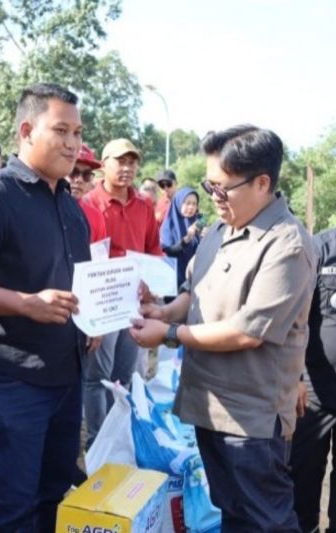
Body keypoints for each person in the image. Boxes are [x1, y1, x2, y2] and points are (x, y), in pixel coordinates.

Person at [130, 125, 315, 531]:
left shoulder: (287, 244)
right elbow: (191, 293)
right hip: (208, 405)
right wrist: (162, 312)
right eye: (208, 186)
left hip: (250, 419)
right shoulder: (219, 229)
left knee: (266, 521)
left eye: (222, 188)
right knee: (232, 513)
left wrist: (169, 335)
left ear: (262, 182)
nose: (212, 198)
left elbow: (248, 331)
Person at [0, 83, 92, 532]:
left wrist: (96, 316)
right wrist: (25, 304)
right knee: (8, 505)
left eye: (78, 132)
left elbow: (73, 279)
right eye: (61, 130)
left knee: (52, 494)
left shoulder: (69, 204)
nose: (72, 143)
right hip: (11, 378)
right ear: (27, 130)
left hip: (67, 374)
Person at [289, 167, 336, 533]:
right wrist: (296, 377)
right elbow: (294, 318)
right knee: (303, 471)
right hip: (315, 389)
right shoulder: (320, 250)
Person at [78, 138, 162, 444]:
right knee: (97, 376)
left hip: (133, 304)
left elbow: (154, 249)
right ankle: (98, 439)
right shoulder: (90, 204)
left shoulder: (144, 205)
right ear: (104, 164)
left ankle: (120, 436)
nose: (127, 168)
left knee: (126, 375)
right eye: (120, 161)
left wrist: (153, 282)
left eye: (132, 162)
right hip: (102, 300)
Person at [160, 187, 202, 287]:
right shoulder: (168, 226)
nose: (191, 207)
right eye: (187, 203)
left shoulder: (197, 223)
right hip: (173, 280)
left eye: (194, 204)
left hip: (195, 278)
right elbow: (169, 250)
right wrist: (187, 238)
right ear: (178, 203)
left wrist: (206, 237)